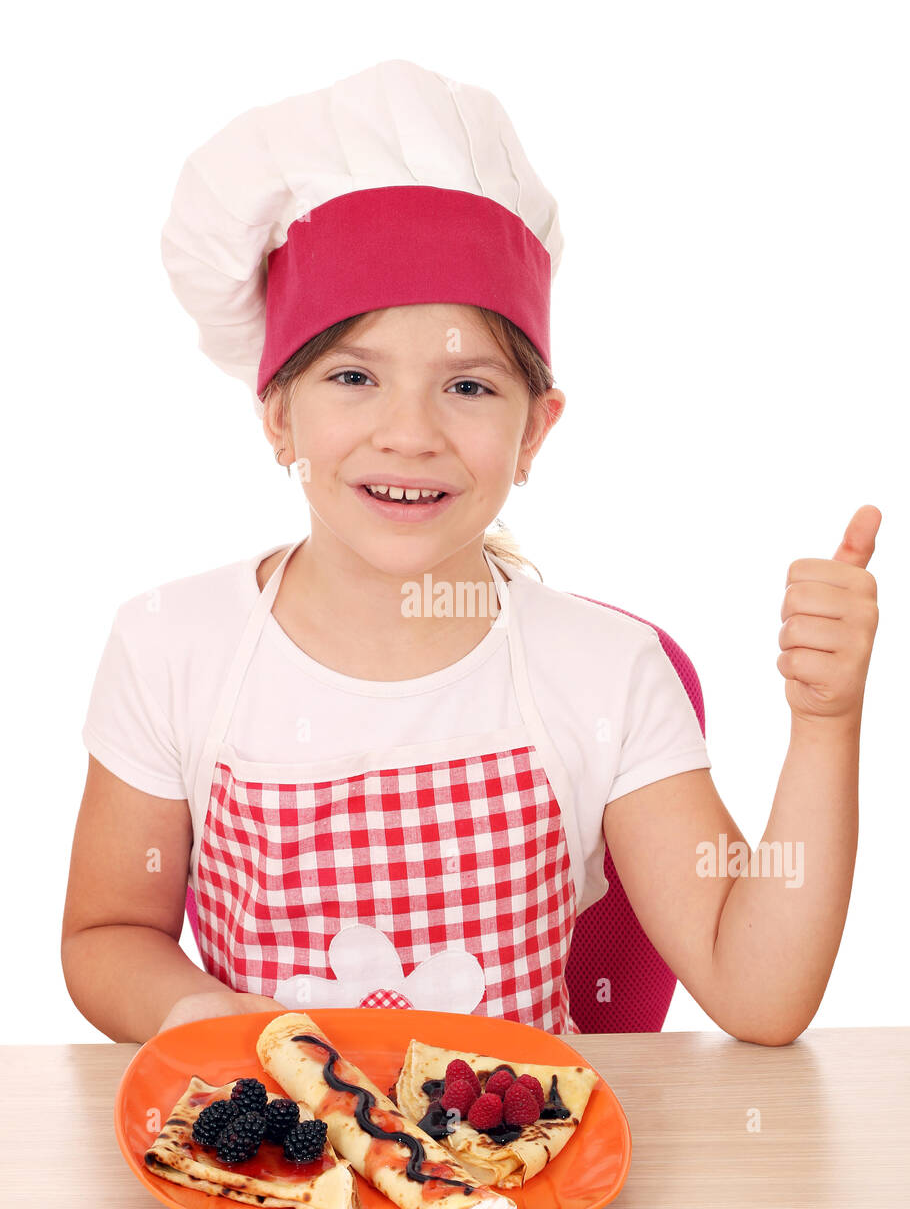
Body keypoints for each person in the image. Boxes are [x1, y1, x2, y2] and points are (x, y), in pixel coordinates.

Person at [62, 61, 880, 1047]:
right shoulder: (172, 648)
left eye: (469, 387)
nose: (409, 433)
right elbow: (108, 931)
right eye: (354, 375)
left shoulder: (604, 671)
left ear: (536, 431)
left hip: (523, 1176)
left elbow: (761, 994)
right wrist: (213, 1019)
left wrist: (825, 723)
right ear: (277, 416)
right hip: (280, 1167)